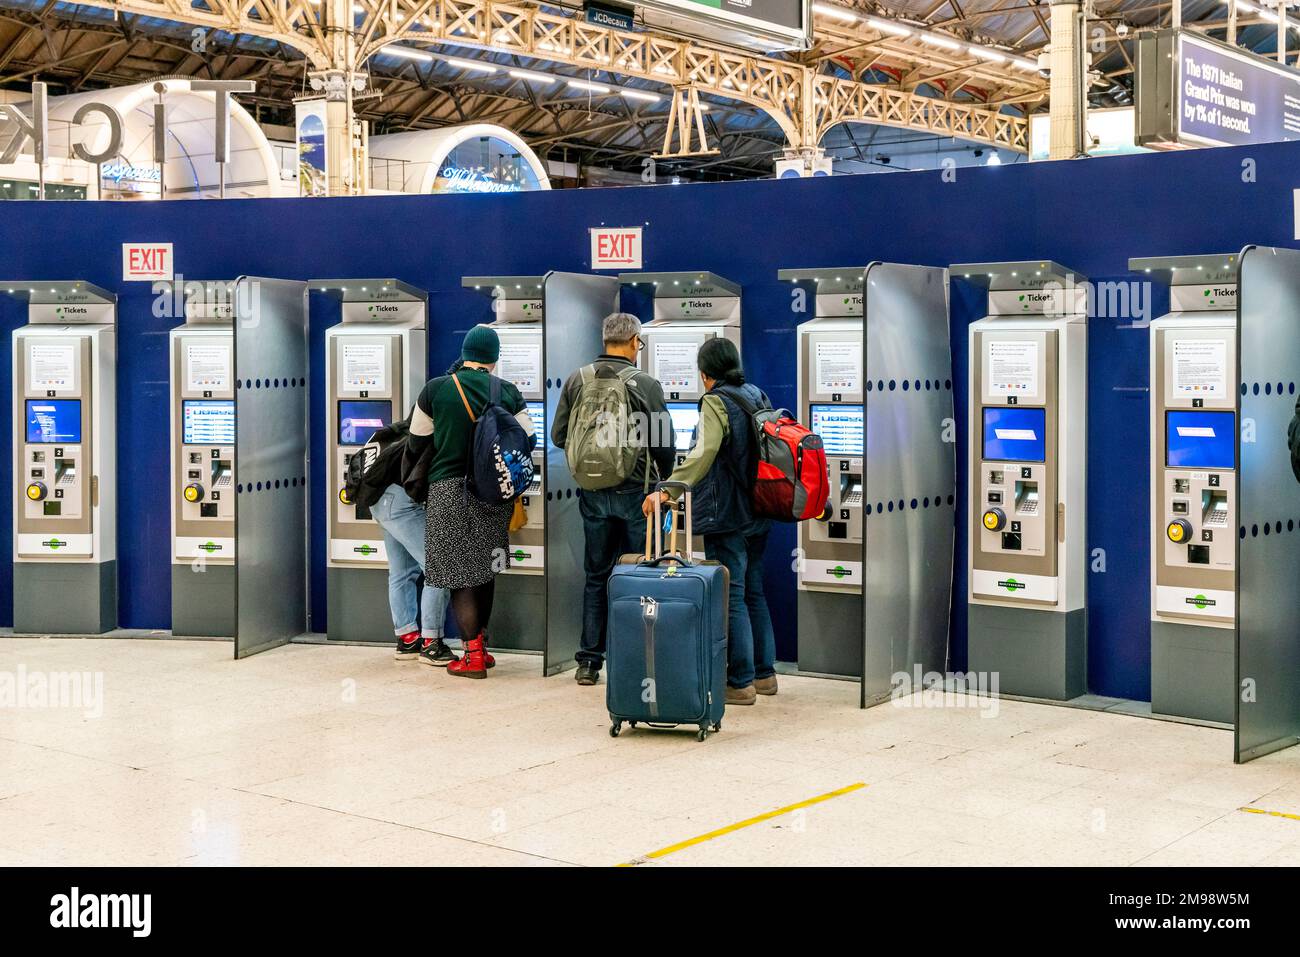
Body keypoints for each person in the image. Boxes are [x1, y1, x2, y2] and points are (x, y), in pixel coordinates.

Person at [642, 337, 777, 706]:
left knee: (731, 595)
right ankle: (765, 676)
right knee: (754, 591)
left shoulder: (716, 401)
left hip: (728, 512)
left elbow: (703, 453)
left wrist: (668, 491)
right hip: (761, 507)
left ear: (704, 375)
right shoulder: (756, 394)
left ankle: (740, 682)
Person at [552, 312, 676, 686]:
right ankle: (638, 659)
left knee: (597, 576)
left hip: (592, 494)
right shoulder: (645, 383)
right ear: (635, 340)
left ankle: (589, 662)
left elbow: (560, 436)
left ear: (605, 339)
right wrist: (664, 479)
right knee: (640, 575)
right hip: (637, 495)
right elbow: (663, 442)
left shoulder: (578, 379)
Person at [406, 324, 535, 679]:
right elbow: (529, 440)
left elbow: (416, 442)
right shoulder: (507, 391)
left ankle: (472, 655)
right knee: (485, 569)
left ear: (465, 353)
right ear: (494, 358)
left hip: (449, 491)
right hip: (493, 493)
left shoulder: (436, 389)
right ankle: (484, 645)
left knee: (459, 575)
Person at [371, 482, 454, 665]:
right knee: (437, 569)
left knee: (402, 572)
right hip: (403, 502)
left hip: (382, 499)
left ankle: (407, 640)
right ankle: (432, 644)